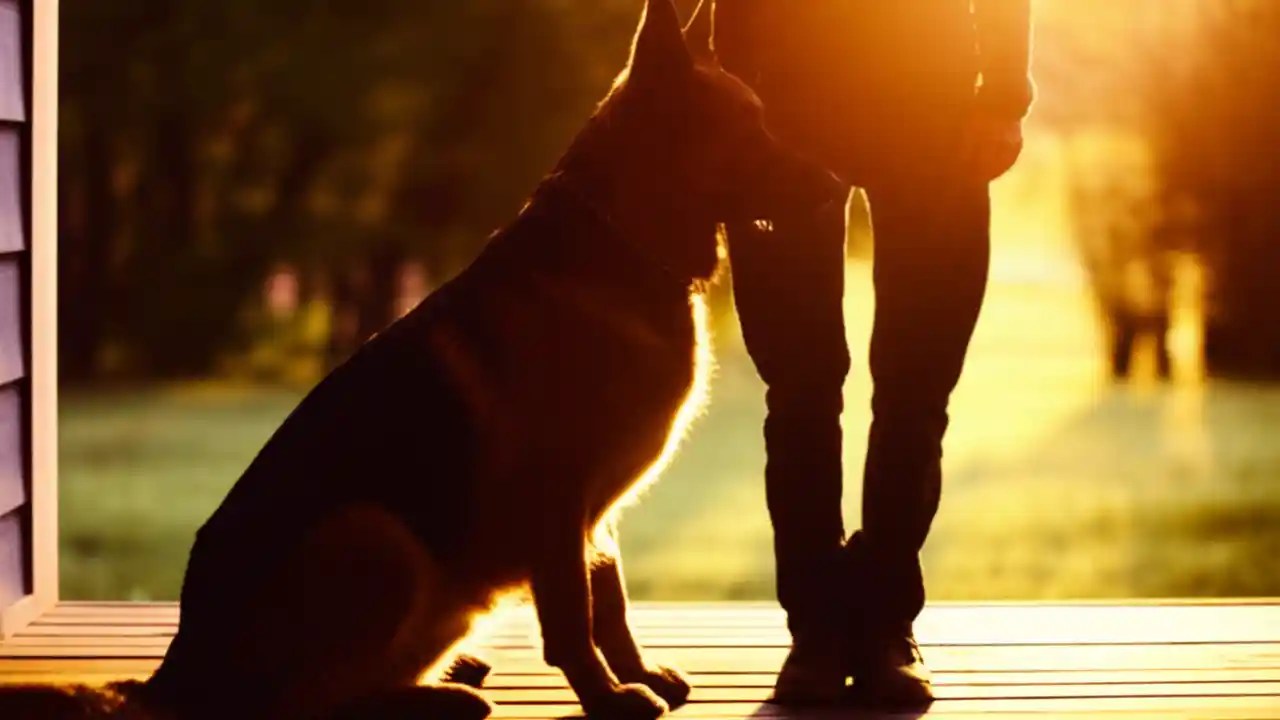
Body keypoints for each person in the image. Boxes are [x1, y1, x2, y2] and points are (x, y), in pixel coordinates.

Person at [704, 0, 1035, 708]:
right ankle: (816, 629)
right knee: (799, 389)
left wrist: (1004, 96)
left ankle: (886, 620)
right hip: (782, 111)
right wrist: (735, 97)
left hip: (936, 106)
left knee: (917, 388)